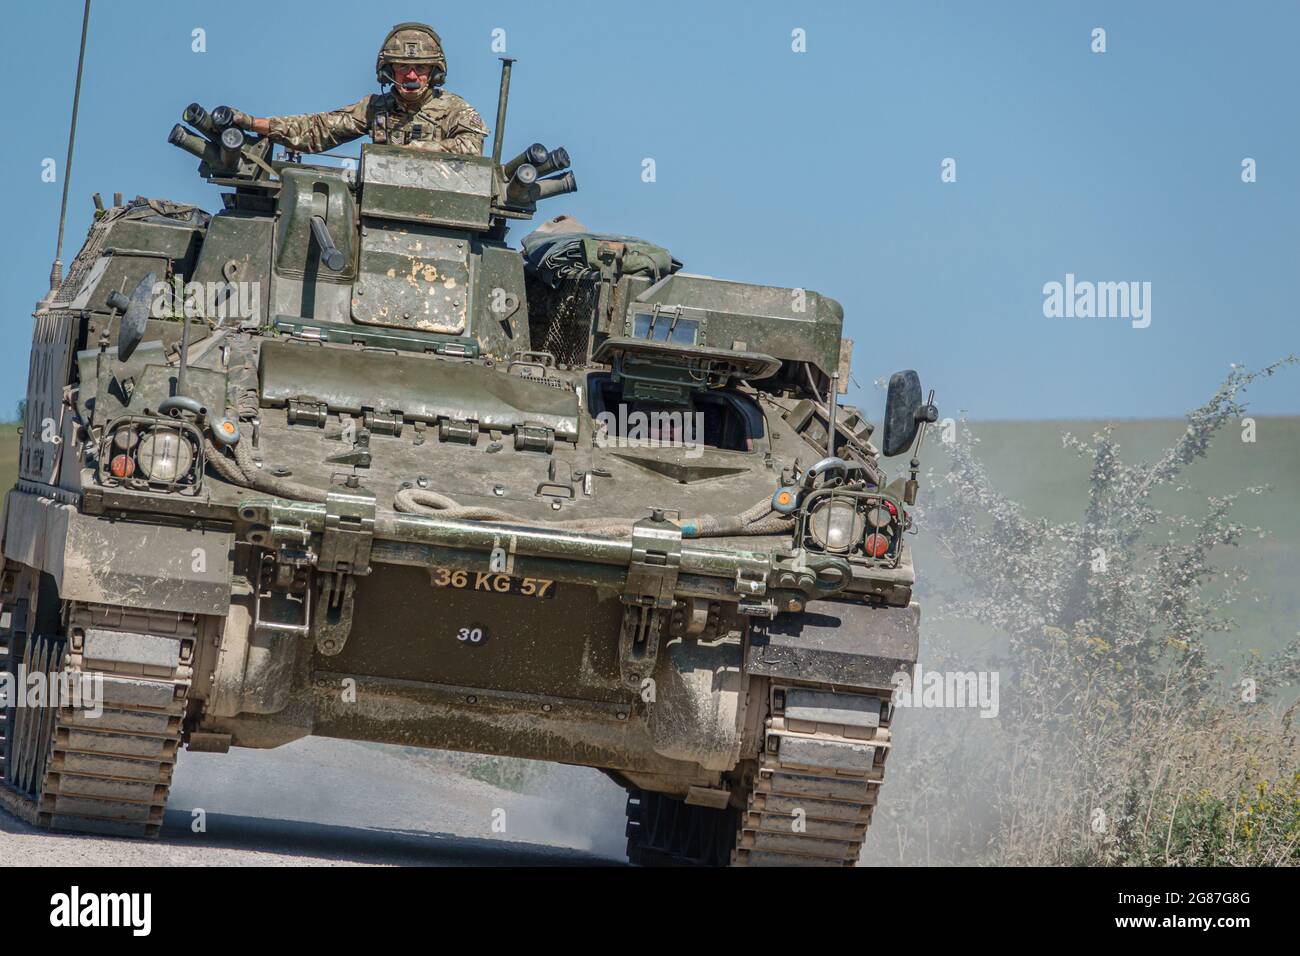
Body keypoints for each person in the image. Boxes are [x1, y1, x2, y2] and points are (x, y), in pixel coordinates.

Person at [226, 23, 487, 156]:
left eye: (420, 68)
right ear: (388, 72)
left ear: (434, 73)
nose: (411, 75)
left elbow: (472, 146)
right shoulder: (376, 108)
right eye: (402, 67)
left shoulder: (455, 109)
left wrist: (420, 150)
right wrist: (253, 123)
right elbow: (319, 129)